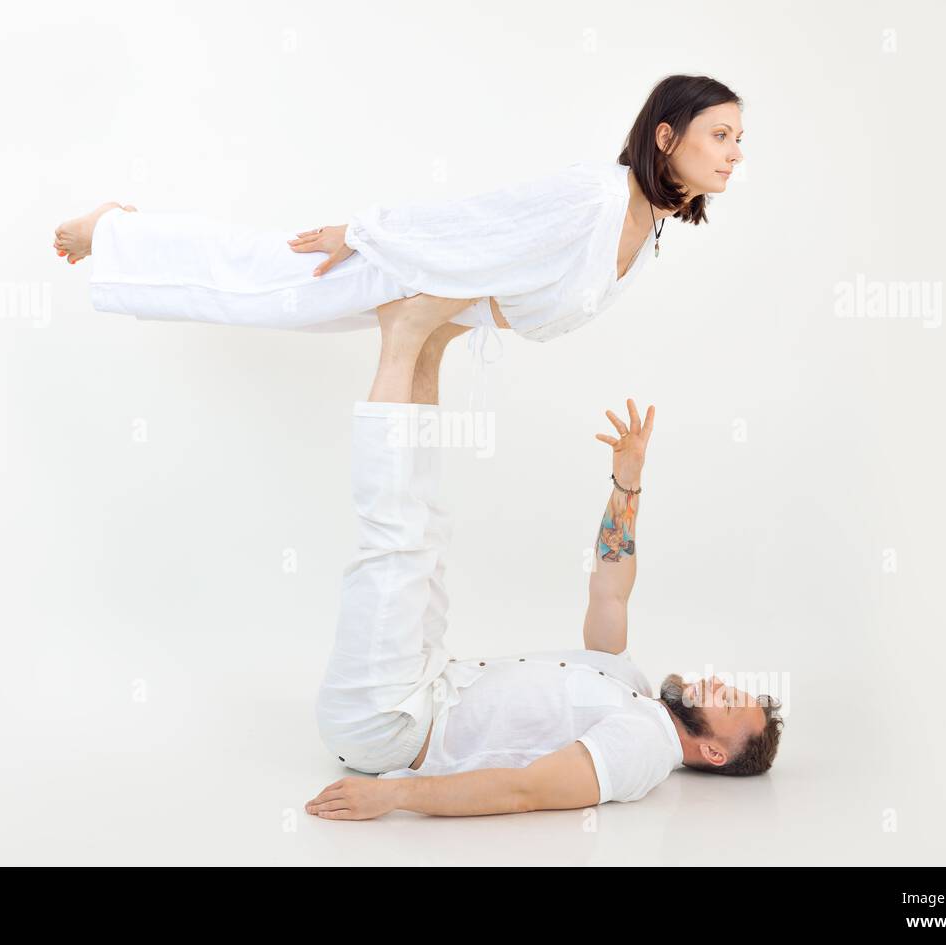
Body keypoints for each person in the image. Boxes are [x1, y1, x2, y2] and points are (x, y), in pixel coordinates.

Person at [305, 293, 784, 821]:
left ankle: (400, 338)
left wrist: (394, 796)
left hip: (388, 722)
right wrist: (628, 484)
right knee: (426, 523)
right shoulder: (633, 688)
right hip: (429, 679)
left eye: (729, 702)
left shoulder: (642, 749)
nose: (718, 683)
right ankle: (430, 344)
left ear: (714, 753)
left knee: (395, 540)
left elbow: (524, 791)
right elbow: (610, 588)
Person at [51, 75, 745, 406]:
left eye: (738, 140)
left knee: (252, 292)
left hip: (440, 299)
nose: (733, 153)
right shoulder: (596, 195)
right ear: (666, 136)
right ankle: (110, 226)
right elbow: (479, 219)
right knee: (253, 279)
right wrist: (360, 233)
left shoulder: (648, 229)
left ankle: (120, 233)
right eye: (720, 135)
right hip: (408, 269)